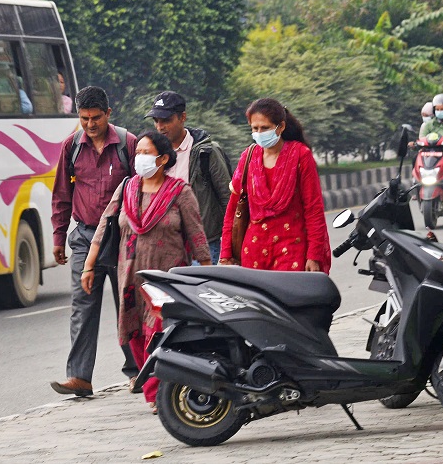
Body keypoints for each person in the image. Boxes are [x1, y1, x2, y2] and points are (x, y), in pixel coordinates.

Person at [80, 130, 211, 412]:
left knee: (161, 334)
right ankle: (154, 393)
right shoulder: (126, 188)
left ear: (163, 159)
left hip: (167, 278)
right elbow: (104, 227)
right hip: (130, 277)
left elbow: (197, 236)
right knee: (137, 334)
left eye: (146, 153)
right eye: (137, 153)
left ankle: (164, 390)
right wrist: (88, 266)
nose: (139, 158)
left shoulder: (180, 192)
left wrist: (209, 272)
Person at [50, 86, 138, 397]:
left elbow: (142, 190)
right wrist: (59, 236)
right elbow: (61, 195)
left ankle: (137, 371)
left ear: (108, 114)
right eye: (84, 118)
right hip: (85, 237)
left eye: (96, 118)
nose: (90, 124)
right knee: (82, 307)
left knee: (128, 305)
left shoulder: (128, 144)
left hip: (121, 237)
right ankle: (79, 377)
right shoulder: (71, 147)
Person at [218, 98, 331, 274]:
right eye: (255, 129)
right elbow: (233, 210)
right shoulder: (248, 157)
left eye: (265, 128)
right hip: (253, 252)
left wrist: (314, 255)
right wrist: (225, 255)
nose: (259, 133)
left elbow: (313, 208)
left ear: (281, 127)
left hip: (291, 250)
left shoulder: (300, 155)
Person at [146, 91, 232, 264]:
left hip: (203, 244)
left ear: (182, 117)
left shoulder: (206, 152)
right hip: (166, 244)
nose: (160, 127)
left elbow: (228, 199)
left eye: (166, 120)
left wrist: (229, 247)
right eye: (156, 121)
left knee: (201, 290)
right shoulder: (153, 154)